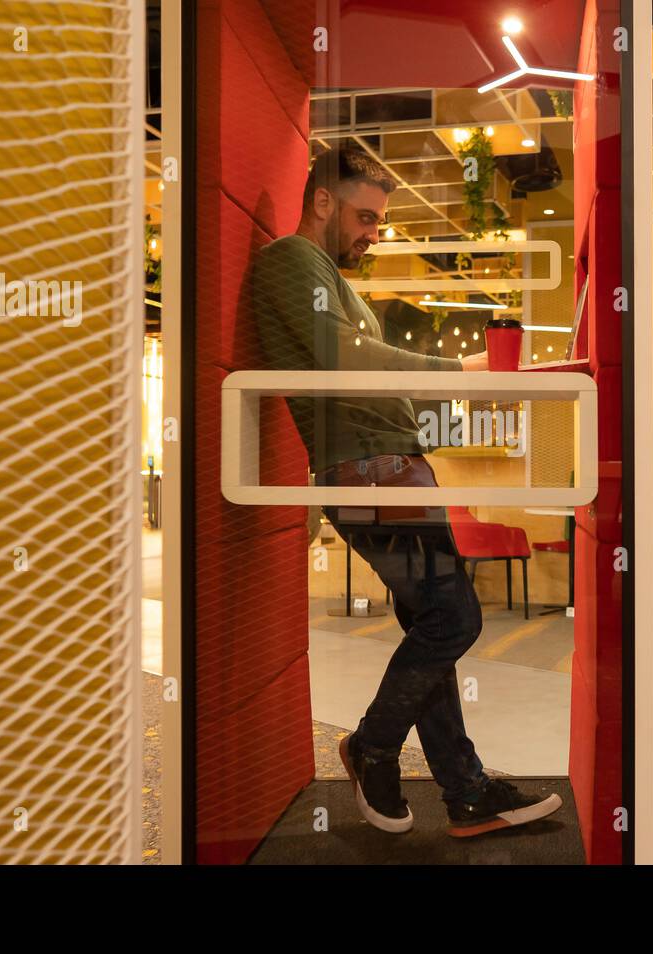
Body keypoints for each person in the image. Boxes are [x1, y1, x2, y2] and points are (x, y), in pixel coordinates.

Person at [250, 145, 561, 838]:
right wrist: (460, 366)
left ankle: (466, 791)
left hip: (393, 468)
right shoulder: (290, 263)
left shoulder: (336, 279)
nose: (374, 232)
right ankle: (373, 746)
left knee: (432, 626)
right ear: (323, 202)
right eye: (365, 216)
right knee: (455, 621)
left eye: (381, 221)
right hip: (365, 472)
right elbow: (346, 358)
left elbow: (372, 371)